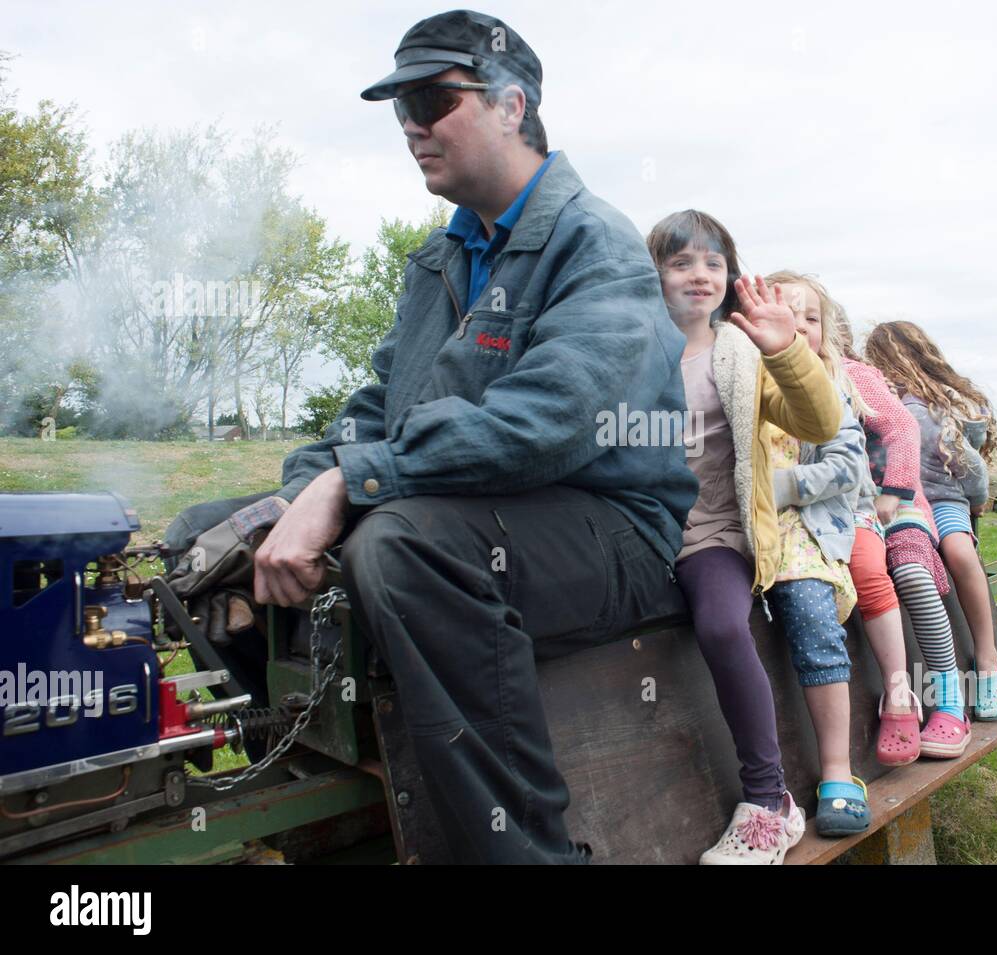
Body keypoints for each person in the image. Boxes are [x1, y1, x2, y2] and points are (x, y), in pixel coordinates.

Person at [167, 9, 698, 863]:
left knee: (403, 546)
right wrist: (301, 488)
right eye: (398, 108)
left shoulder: (596, 243)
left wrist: (350, 485)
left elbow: (549, 423)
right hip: (482, 513)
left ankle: (525, 850)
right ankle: (320, 772)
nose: (411, 125)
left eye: (431, 99)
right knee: (204, 535)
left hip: (614, 528)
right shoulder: (439, 258)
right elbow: (378, 403)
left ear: (511, 106)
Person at [646, 212, 840, 864]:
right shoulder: (633, 348)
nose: (698, 274)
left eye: (712, 262)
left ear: (729, 277)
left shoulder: (740, 350)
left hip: (714, 531)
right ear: (655, 275)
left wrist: (788, 351)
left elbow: (817, 418)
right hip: (641, 531)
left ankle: (768, 797)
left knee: (725, 626)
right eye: (680, 262)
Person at [761, 270, 872, 835]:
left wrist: (779, 486)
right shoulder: (740, 371)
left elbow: (849, 466)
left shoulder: (828, 386)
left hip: (801, 529)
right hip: (736, 528)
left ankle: (836, 770)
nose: (798, 326)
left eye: (810, 317)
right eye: (785, 313)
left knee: (808, 609)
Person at [865, 320, 997, 723]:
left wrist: (977, 502)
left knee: (959, 551)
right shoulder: (880, 402)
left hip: (942, 498)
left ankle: (986, 659)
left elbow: (971, 466)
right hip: (908, 503)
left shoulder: (934, 409)